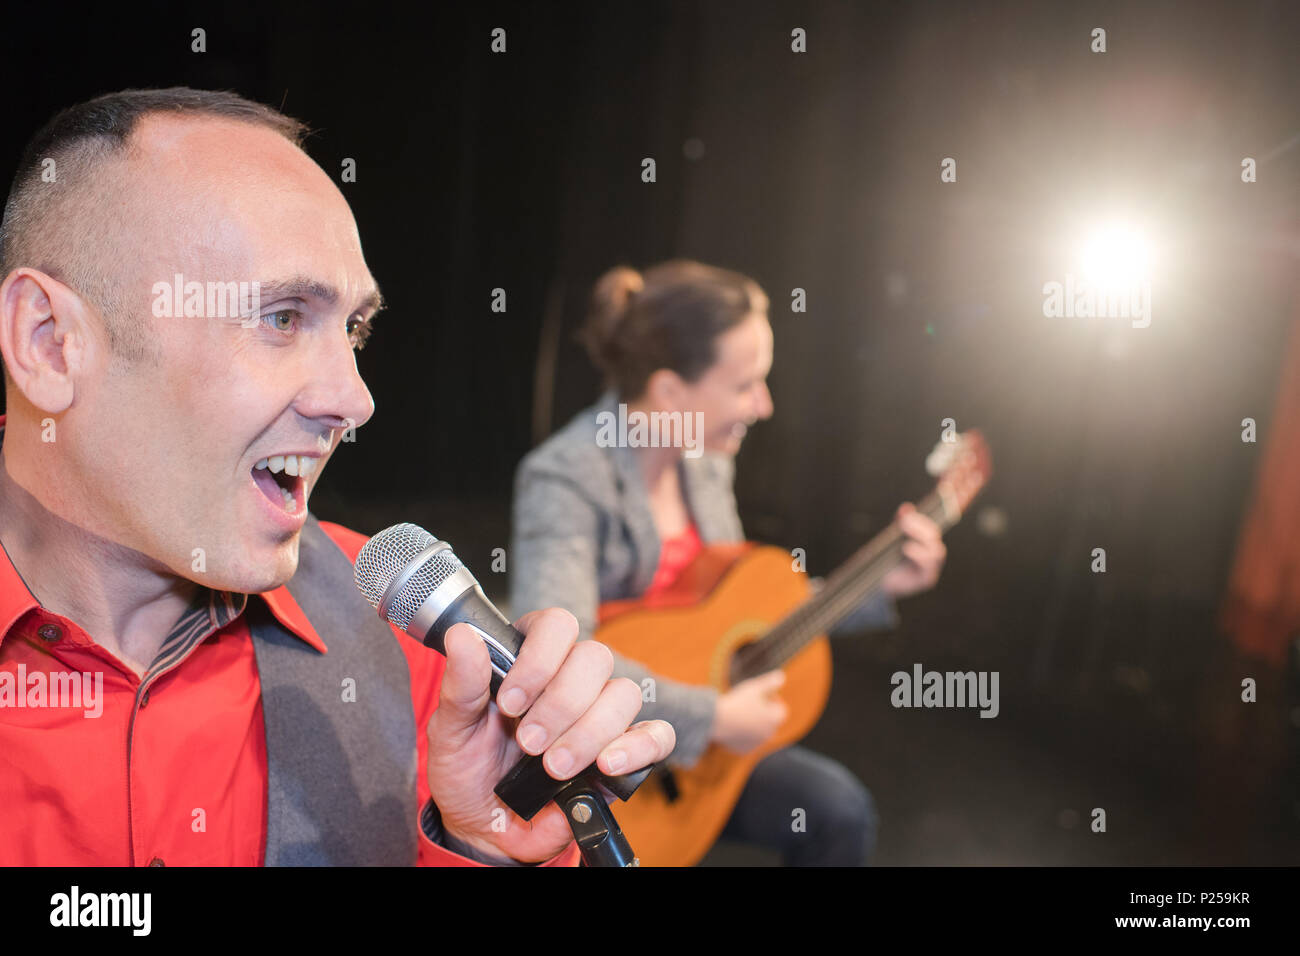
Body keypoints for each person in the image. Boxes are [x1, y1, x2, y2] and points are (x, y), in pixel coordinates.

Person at [0, 88, 673, 867]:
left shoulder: (418, 657)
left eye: (355, 329)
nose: (355, 401)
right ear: (50, 343)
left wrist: (481, 845)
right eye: (282, 318)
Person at [511, 260, 947, 865]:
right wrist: (712, 717)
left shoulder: (707, 458)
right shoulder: (564, 477)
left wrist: (880, 587)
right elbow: (559, 658)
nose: (764, 405)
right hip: (607, 774)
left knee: (838, 811)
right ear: (669, 391)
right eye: (745, 384)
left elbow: (745, 613)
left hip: (707, 760)